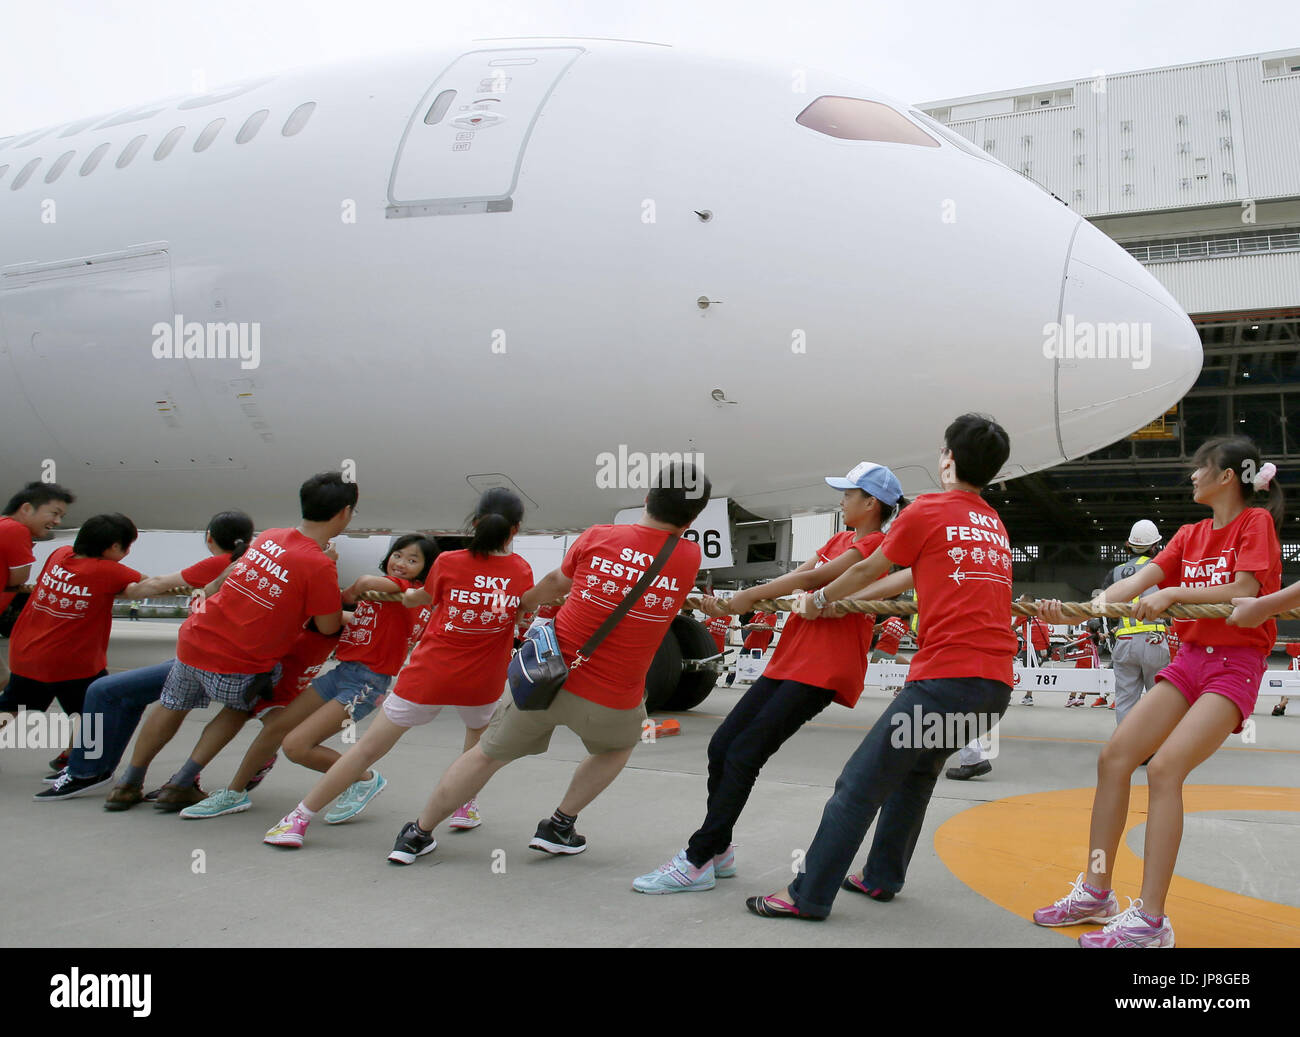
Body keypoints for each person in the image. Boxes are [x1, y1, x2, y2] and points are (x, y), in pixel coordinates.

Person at [743, 414, 1016, 920]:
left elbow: (871, 567)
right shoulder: (992, 523)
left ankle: (809, 896)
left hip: (945, 681)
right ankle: (881, 877)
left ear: (948, 460)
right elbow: (910, 573)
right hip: (992, 686)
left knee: (858, 785)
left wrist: (818, 600)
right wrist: (847, 600)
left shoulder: (930, 509)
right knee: (915, 777)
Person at [371, 464, 708, 866]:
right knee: (618, 747)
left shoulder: (599, 536)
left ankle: (417, 834)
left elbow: (555, 584)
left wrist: (524, 604)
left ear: (648, 498)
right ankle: (559, 825)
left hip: (543, 677)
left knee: (485, 756)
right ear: (693, 518)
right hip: (612, 695)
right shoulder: (688, 556)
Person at [1033, 437, 1282, 947]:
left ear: (1228, 476)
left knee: (1166, 769)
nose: (1192, 476)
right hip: (1189, 660)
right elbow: (1131, 585)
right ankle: (1097, 891)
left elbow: (1246, 592)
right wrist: (1075, 610)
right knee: (1115, 757)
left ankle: (1150, 920)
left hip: (1235, 665)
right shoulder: (1189, 535)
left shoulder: (1254, 524)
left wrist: (1174, 593)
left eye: (1200, 468)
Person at [633, 462, 905, 893]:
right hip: (790, 659)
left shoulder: (875, 545)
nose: (841, 499)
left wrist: (747, 596)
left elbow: (817, 578)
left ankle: (699, 857)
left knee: (744, 753)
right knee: (723, 746)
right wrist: (736, 600)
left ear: (870, 503)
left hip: (822, 669)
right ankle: (719, 848)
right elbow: (801, 574)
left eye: (848, 494)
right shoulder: (838, 538)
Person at [263, 490, 534, 848]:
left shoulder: (450, 562)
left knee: (366, 750)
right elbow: (520, 616)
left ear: (476, 522)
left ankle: (298, 820)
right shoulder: (521, 571)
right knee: (475, 751)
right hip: (482, 680)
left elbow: (420, 598)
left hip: (428, 675)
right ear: (515, 530)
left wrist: (405, 596)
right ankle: (464, 806)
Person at [104, 473, 352, 812]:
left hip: (195, 639)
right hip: (241, 659)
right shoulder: (318, 565)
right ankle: (181, 783)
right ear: (345, 512)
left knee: (171, 703)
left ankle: (128, 783)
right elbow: (327, 626)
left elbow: (226, 577)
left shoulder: (269, 536)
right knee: (239, 709)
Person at [182, 535, 437, 819]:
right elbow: (355, 620)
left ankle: (364, 779)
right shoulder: (390, 596)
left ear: (425, 571)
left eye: (413, 560)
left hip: (367, 683)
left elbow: (365, 583)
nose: (401, 564)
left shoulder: (409, 592)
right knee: (275, 729)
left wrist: (346, 593)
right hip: (342, 672)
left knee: (297, 746)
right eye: (398, 555)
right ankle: (234, 793)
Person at [34, 511, 255, 801]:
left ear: (210, 538)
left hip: (206, 662)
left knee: (103, 691)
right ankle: (107, 772)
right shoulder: (253, 563)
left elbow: (157, 583)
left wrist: (130, 590)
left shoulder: (219, 563)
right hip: (225, 662)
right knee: (129, 696)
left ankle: (87, 773)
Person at [0, 515, 180, 749]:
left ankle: (73, 758)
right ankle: (76, 763)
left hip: (27, 654)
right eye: (128, 546)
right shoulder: (108, 571)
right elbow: (149, 585)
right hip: (71, 664)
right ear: (115, 546)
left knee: (11, 705)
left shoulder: (60, 554)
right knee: (96, 712)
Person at [0, 482, 75, 690]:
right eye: (54, 513)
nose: (57, 521)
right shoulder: (16, 530)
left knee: (6, 682)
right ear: (26, 508)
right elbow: (19, 578)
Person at [1093, 520, 1172, 715]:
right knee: (1158, 702)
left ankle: (1126, 744)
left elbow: (1102, 604)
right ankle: (1156, 744)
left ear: (1129, 545)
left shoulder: (1116, 573)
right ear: (1155, 546)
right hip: (1154, 639)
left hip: (1125, 641)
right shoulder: (1162, 569)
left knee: (1125, 702)